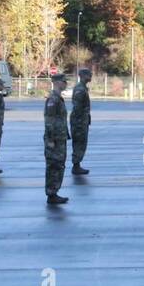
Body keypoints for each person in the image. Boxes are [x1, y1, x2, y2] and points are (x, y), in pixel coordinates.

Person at [44, 72, 71, 205]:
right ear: (57, 82)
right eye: (64, 81)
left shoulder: (58, 98)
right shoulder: (53, 99)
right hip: (54, 139)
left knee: (59, 165)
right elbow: (49, 121)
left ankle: (54, 192)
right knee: (54, 166)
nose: (65, 83)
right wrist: (50, 140)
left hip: (60, 138)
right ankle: (51, 193)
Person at [70, 68, 91, 175]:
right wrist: (78, 123)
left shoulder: (82, 88)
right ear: (82, 76)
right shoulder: (80, 89)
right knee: (79, 142)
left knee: (81, 143)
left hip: (82, 120)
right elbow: (77, 107)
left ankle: (77, 164)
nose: (90, 75)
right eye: (88, 74)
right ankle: (76, 165)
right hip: (79, 121)